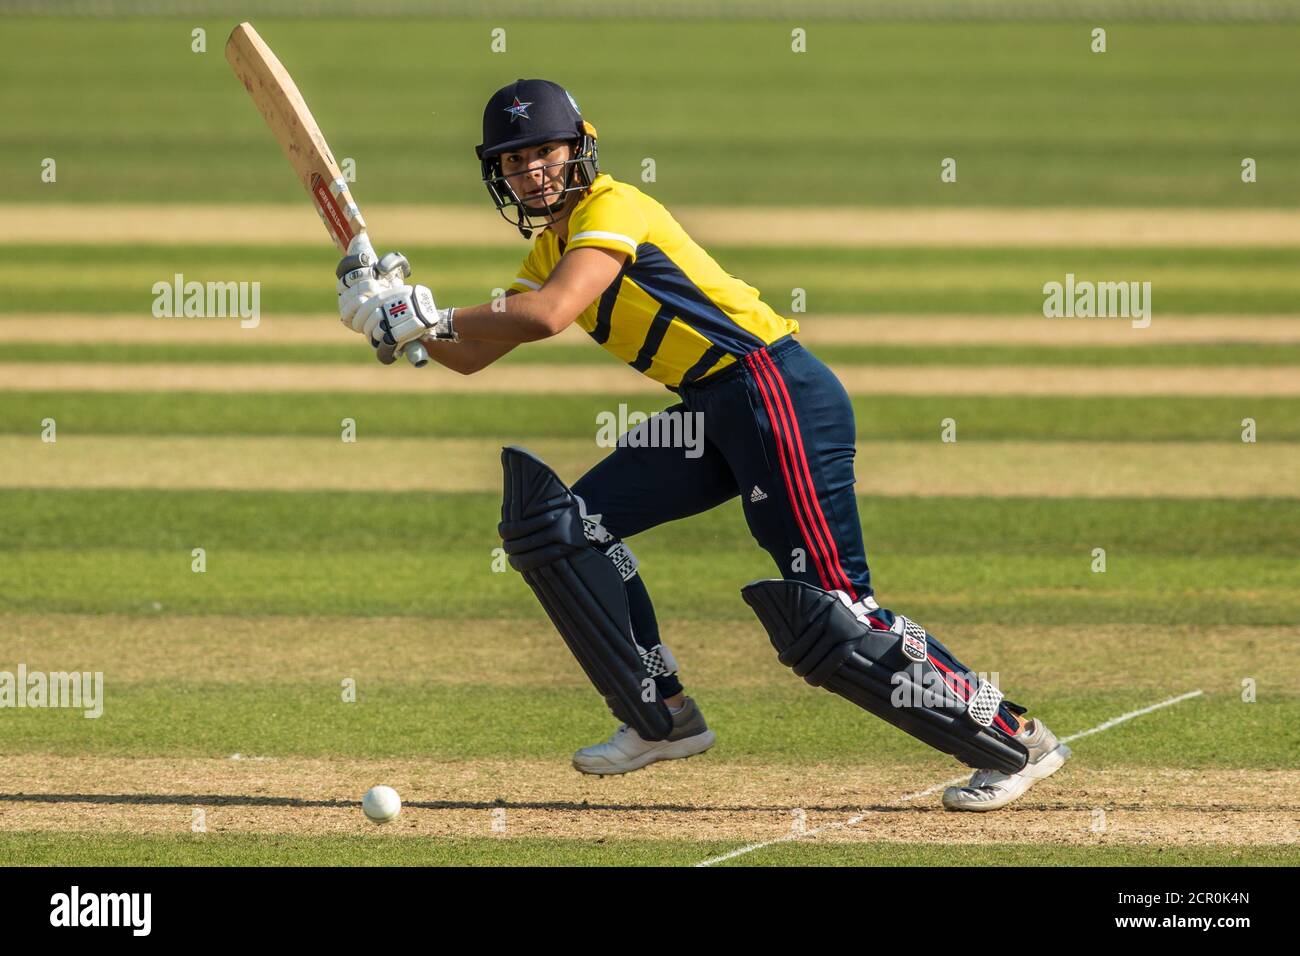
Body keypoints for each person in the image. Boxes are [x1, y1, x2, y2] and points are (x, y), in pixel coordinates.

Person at [336, 78, 1071, 811]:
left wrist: (427, 310)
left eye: (544, 152)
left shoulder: (612, 208)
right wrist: (396, 324)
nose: (532, 171)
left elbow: (549, 314)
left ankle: (1014, 739)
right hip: (712, 410)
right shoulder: (547, 248)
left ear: (578, 149)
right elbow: (472, 353)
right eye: (515, 160)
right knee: (561, 530)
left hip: (774, 391)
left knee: (834, 613)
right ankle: (660, 716)